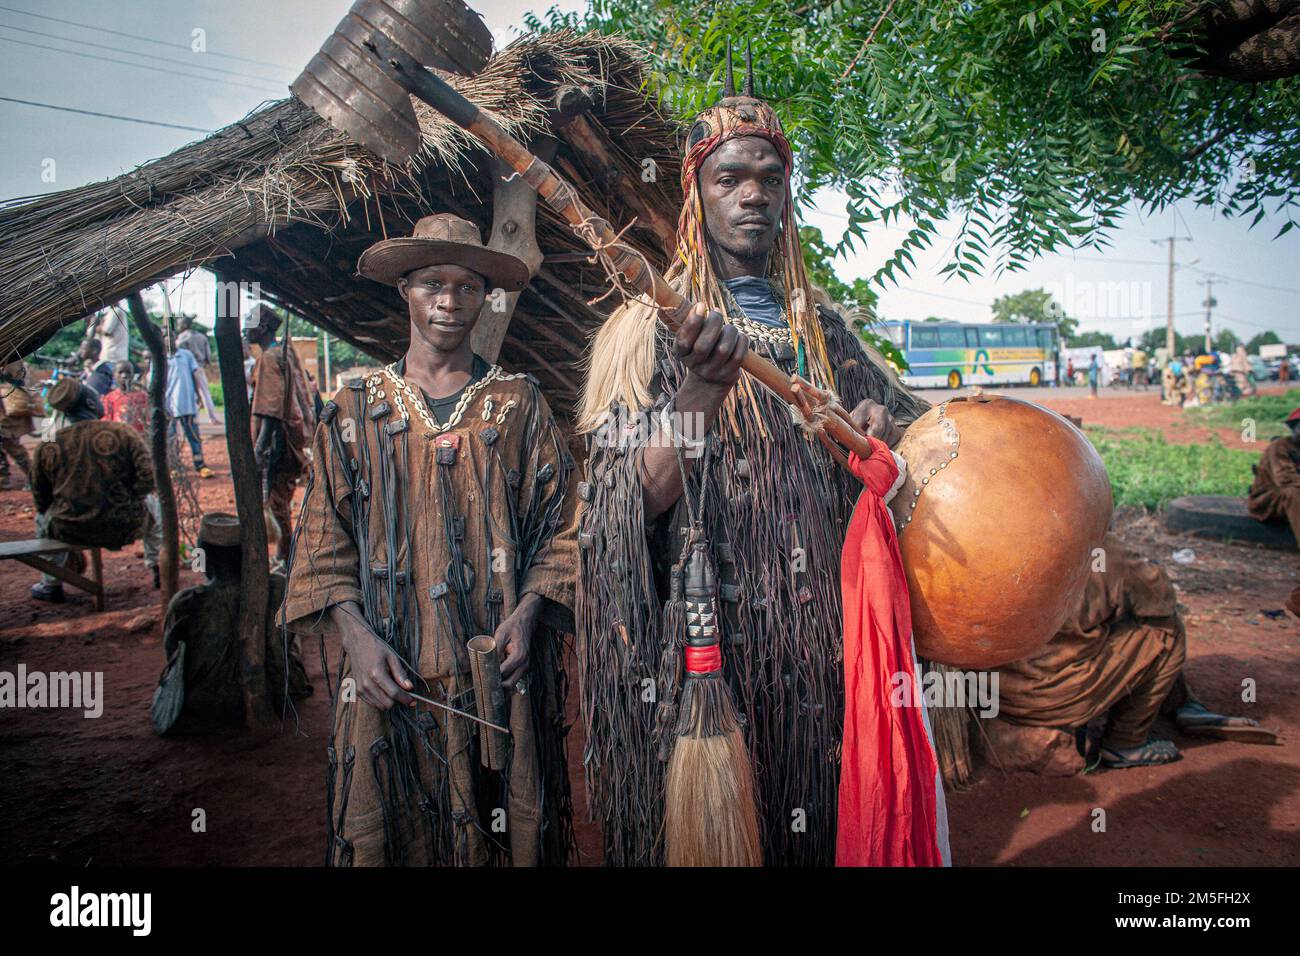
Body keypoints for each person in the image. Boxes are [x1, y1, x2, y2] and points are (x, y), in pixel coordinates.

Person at [574, 63, 943, 866]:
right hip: (713, 646)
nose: (753, 195)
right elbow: (619, 510)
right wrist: (702, 391)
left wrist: (882, 434)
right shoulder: (644, 331)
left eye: (770, 179)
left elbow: (917, 448)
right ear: (696, 197)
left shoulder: (828, 336)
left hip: (829, 644)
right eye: (729, 178)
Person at [281, 213, 578, 867]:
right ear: (404, 290)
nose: (450, 301)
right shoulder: (355, 406)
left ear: (483, 296)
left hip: (500, 675)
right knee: (391, 824)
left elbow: (563, 529)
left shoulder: (518, 403)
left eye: (468, 286)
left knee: (504, 824)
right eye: (432, 284)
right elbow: (324, 539)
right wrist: (355, 638)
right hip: (391, 670)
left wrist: (528, 618)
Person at [988, 533, 1277, 772]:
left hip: (994, 691)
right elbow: (1160, 598)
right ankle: (1126, 743)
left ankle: (1182, 703)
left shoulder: (989, 540)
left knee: (1108, 622)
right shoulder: (1097, 549)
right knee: (1164, 630)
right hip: (1048, 696)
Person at [155, 512, 308, 735]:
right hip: (273, 691)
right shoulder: (277, 589)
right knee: (293, 640)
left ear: (205, 557)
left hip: (203, 700)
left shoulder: (186, 602)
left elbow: (172, 654)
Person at [30, 378, 153, 603]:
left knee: (41, 517)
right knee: (155, 506)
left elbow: (41, 497)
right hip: (123, 525)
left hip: (68, 528)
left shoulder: (49, 445)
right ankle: (157, 569)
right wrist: (128, 498)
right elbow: (148, 478)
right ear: (89, 403)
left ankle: (51, 584)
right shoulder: (123, 433)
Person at [245, 305, 316, 567]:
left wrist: (261, 449)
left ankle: (285, 556)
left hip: (278, 444)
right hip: (288, 441)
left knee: (276, 501)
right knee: (280, 498)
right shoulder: (280, 354)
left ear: (261, 328)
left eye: (248, 323)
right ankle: (284, 554)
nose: (244, 329)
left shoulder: (270, 359)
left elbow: (271, 409)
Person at [103, 361, 163, 588]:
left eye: (128, 371)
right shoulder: (110, 399)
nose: (125, 376)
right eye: (121, 372)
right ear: (115, 376)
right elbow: (107, 427)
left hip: (141, 455)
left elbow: (149, 424)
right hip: (120, 459)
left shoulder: (141, 397)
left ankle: (155, 564)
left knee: (152, 512)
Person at [1248, 408, 1300, 617]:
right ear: (1294, 429)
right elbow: (1285, 479)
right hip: (1268, 499)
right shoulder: (1280, 447)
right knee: (1293, 493)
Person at [164, 342, 213, 478]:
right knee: (171, 437)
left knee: (193, 435)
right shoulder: (160, 357)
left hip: (186, 402)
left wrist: (198, 395)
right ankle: (174, 466)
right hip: (168, 404)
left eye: (170, 335)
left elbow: (194, 375)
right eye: (164, 337)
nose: (168, 339)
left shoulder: (186, 355)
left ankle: (200, 465)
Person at [176, 316, 221, 426]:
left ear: (185, 325)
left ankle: (192, 418)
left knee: (189, 393)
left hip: (186, 368)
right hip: (200, 367)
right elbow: (208, 356)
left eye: (179, 324)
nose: (178, 326)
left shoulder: (181, 338)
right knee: (204, 392)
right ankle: (212, 417)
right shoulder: (202, 337)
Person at [0, 360, 36, 490]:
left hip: (8, 405)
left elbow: (15, 376)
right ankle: (3, 478)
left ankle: (35, 478)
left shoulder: (11, 356)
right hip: (5, 405)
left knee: (10, 442)